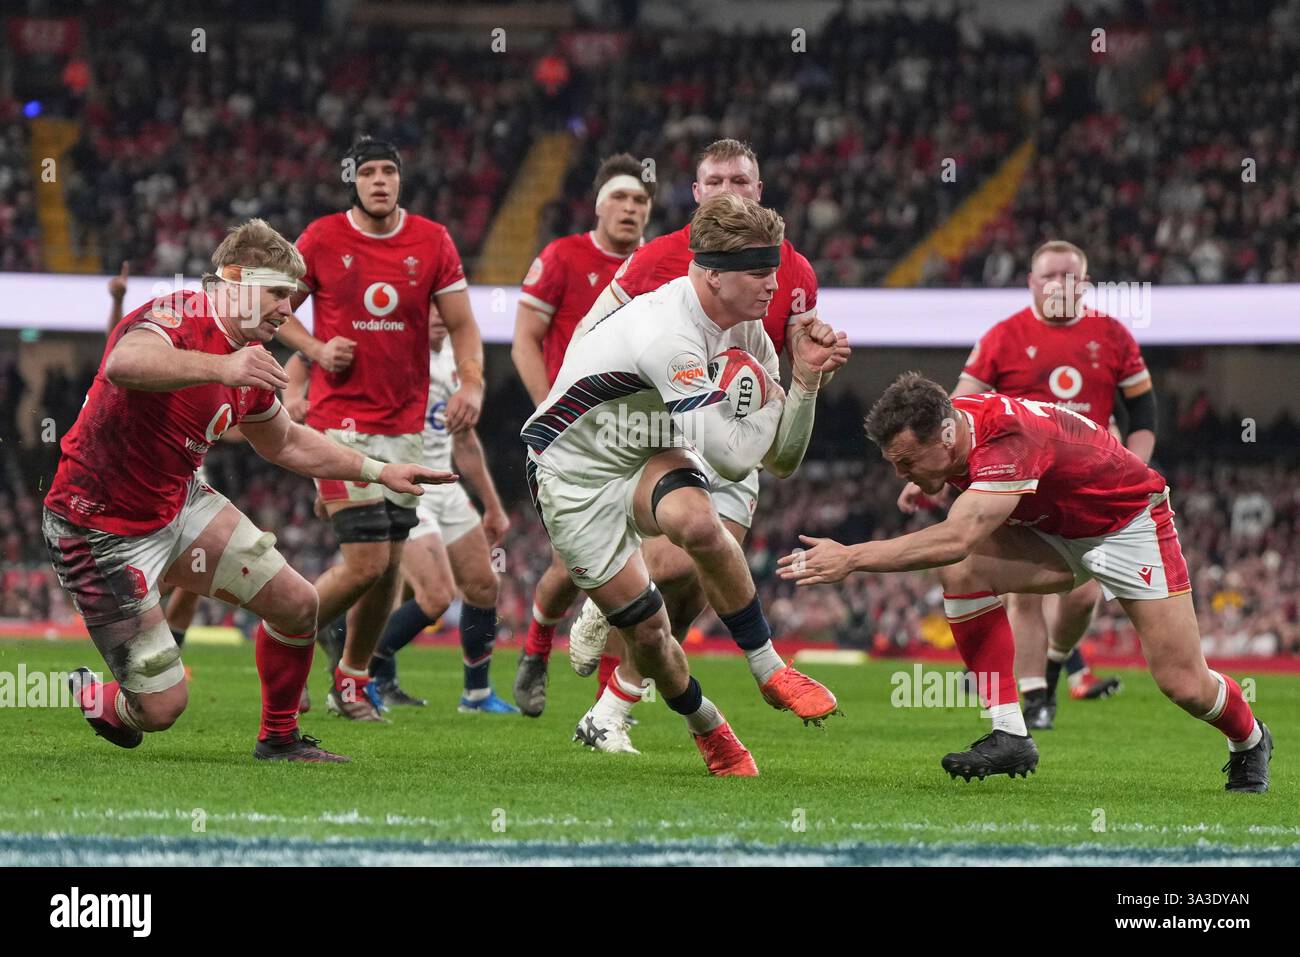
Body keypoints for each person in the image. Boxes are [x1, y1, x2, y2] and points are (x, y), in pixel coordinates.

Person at [44, 219, 453, 762]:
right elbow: (124, 363)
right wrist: (224, 365)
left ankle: (279, 739)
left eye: (293, 296)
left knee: (297, 603)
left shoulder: (249, 354)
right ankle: (98, 696)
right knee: (161, 710)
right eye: (279, 293)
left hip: (177, 503)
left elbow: (286, 442)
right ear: (235, 280)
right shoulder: (183, 313)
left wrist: (379, 471)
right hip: (96, 529)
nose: (290, 309)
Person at [779, 372, 1272, 792]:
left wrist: (851, 558)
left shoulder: (1006, 442)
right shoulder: (954, 425)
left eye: (906, 461)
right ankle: (1010, 733)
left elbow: (957, 536)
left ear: (947, 436)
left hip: (1128, 527)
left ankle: (1251, 739)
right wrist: (922, 477)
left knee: (1183, 684)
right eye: (894, 463)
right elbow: (959, 530)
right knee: (963, 570)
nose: (899, 473)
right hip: (1056, 531)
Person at [522, 194, 847, 772]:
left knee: (700, 523)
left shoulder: (745, 331)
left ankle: (770, 669)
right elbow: (729, 459)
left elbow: (782, 462)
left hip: (643, 446)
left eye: (773, 272)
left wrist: (806, 383)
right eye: (758, 274)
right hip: (571, 472)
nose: (773, 287)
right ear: (713, 276)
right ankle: (709, 726)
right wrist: (778, 402)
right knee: (649, 637)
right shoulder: (669, 333)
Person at [898, 240, 1150, 728]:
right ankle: (1033, 698)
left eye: (1069, 276)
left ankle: (1055, 665)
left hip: (1085, 487)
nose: (1059, 284)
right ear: (1031, 283)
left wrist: (1136, 468)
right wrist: (928, 471)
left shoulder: (1113, 335)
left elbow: (1143, 411)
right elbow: (954, 409)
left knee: (1081, 596)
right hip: (1015, 479)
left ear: (1086, 284)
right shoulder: (1003, 336)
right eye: (1049, 276)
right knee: (1023, 591)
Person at [275, 137, 485, 722]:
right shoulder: (320, 238)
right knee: (367, 561)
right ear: (354, 182)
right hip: (338, 427)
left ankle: (353, 677)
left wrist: (472, 381)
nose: (379, 181)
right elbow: (274, 306)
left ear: (400, 179)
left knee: (391, 565)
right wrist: (316, 347)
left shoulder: (432, 240)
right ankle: (282, 635)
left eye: (389, 170)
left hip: (404, 428)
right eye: (368, 172)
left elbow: (464, 326)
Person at [511, 152, 653, 716]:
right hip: (570, 435)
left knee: (632, 567)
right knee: (572, 564)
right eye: (621, 197)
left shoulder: (660, 264)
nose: (631, 208)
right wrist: (550, 406)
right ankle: (536, 646)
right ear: (599, 205)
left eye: (641, 200)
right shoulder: (562, 256)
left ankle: (604, 706)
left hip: (637, 434)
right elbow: (524, 338)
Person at [368, 307, 516, 713]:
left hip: (444, 485)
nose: (434, 314)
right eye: (425, 304)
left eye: (441, 306)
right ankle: (355, 675)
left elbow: (465, 442)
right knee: (435, 595)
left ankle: (477, 694)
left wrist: (492, 506)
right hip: (401, 482)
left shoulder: (457, 359)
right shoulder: (390, 351)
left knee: (484, 584)